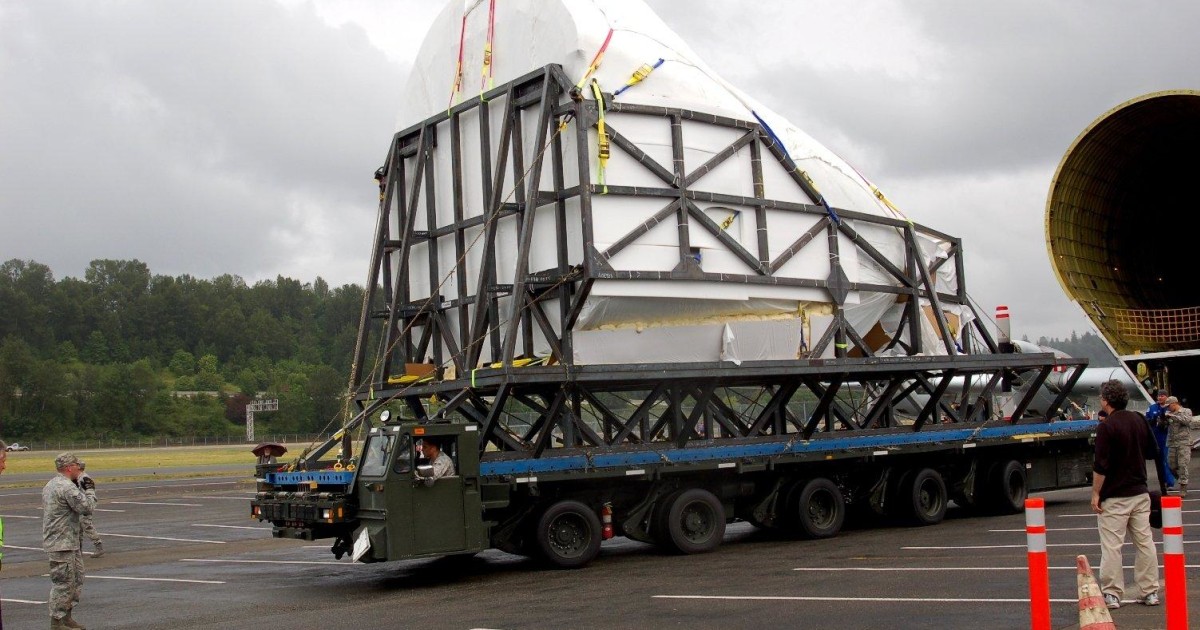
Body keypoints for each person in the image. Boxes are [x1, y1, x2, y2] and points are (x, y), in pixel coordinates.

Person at [1091, 379, 1161, 610]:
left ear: (1105, 401)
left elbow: (1100, 466)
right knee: (1145, 543)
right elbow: (1153, 451)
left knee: (1112, 546)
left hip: (1115, 496)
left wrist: (1096, 493)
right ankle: (1149, 591)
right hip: (1140, 492)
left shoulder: (1106, 427)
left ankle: (1112, 593)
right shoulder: (1139, 419)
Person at [43, 453, 97, 630]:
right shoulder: (65, 487)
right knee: (64, 583)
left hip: (68, 542)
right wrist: (90, 489)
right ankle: (57, 622)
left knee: (76, 579)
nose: (79, 468)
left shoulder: (52, 484)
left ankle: (66, 617)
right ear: (68, 468)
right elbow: (87, 507)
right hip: (62, 543)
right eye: (76, 465)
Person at [1144, 390, 1177, 488]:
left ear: (1167, 397)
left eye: (1162, 396)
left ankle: (1170, 482)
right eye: (1159, 396)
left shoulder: (1170, 407)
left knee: (1167, 460)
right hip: (1155, 438)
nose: (1160, 397)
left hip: (1167, 438)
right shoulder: (1152, 407)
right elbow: (1146, 420)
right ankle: (1163, 481)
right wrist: (1152, 420)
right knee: (1159, 461)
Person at [1163, 396, 1193, 496]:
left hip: (1183, 442)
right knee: (1171, 465)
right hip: (1172, 443)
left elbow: (1187, 421)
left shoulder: (1186, 411)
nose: (1168, 408)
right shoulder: (1168, 413)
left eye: (1169, 406)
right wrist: (1162, 420)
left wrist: (1173, 416)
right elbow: (1164, 426)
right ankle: (1181, 478)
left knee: (1182, 465)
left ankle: (1183, 486)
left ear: (1174, 404)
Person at [75, 462, 104, 558]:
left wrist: (87, 505)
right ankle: (78, 550)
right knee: (78, 529)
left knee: (87, 526)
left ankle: (98, 546)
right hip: (79, 506)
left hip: (85, 506)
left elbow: (90, 493)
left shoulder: (84, 478)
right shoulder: (78, 478)